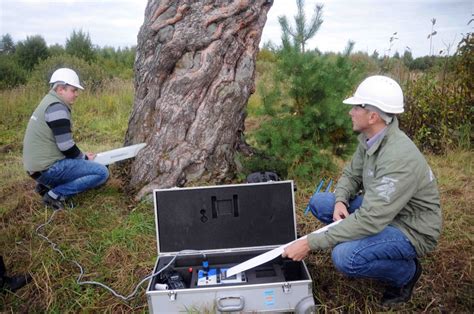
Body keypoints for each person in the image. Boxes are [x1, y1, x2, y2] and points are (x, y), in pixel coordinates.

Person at [282, 75, 442, 306]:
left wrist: (310, 243)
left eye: (357, 107)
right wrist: (340, 201)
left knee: (345, 256)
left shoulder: (398, 157)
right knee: (321, 202)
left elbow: (371, 220)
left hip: (410, 228)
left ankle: (406, 273)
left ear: (373, 116)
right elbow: (351, 174)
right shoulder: (371, 137)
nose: (351, 112)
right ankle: (367, 243)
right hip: (384, 212)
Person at [23, 68, 109, 210]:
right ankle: (55, 195)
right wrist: (84, 159)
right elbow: (66, 146)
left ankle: (45, 186)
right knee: (102, 172)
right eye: (74, 90)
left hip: (37, 169)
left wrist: (81, 158)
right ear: (61, 89)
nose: (76, 94)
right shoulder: (57, 108)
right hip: (48, 169)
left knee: (85, 165)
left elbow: (62, 144)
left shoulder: (48, 101)